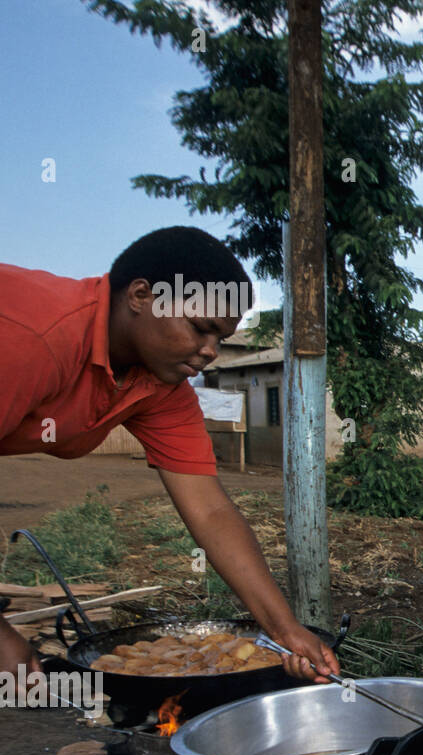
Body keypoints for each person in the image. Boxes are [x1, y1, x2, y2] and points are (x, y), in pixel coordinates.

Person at [0, 226, 339, 683]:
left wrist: (285, 629)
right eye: (202, 329)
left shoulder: (159, 385)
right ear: (141, 295)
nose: (210, 353)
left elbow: (211, 511)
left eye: (221, 339)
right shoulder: (34, 338)